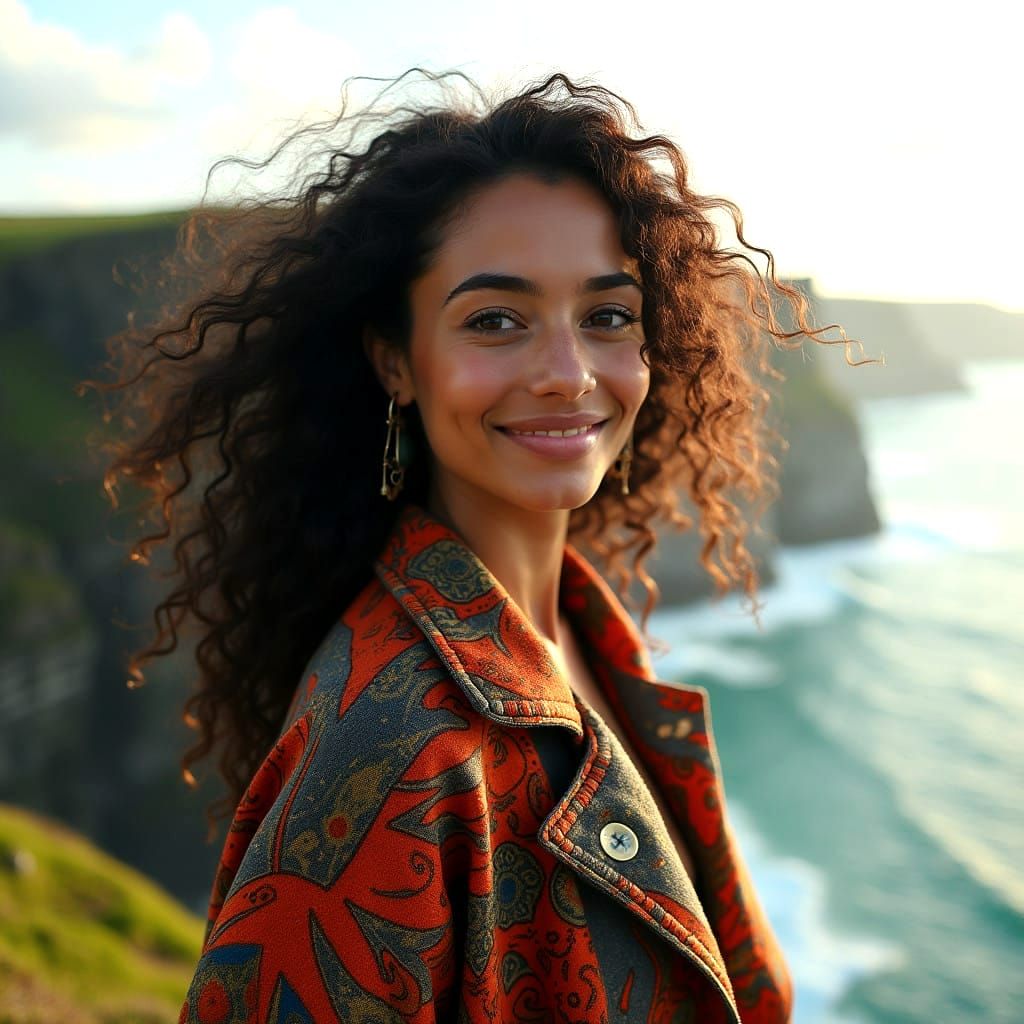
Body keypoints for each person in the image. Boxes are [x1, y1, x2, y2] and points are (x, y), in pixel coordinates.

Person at [91, 68, 857, 1023]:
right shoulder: (389, 752)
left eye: (608, 316)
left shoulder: (589, 636)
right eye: (495, 319)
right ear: (394, 360)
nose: (567, 373)